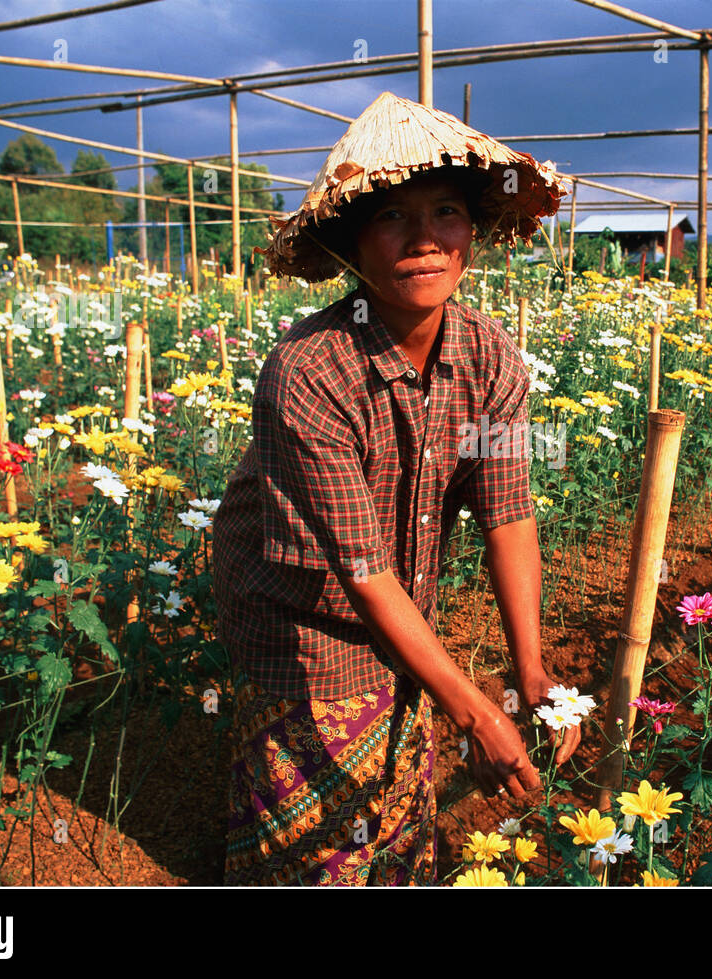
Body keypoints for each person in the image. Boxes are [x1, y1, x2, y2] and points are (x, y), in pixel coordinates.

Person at [212, 92, 578, 886]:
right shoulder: (308, 372)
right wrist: (476, 709)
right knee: (314, 814)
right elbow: (361, 569)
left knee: (400, 763)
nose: (423, 240)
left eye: (446, 211)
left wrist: (530, 669)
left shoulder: (490, 358)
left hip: (399, 593)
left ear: (473, 231)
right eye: (390, 218)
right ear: (350, 244)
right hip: (296, 609)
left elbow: (508, 512)